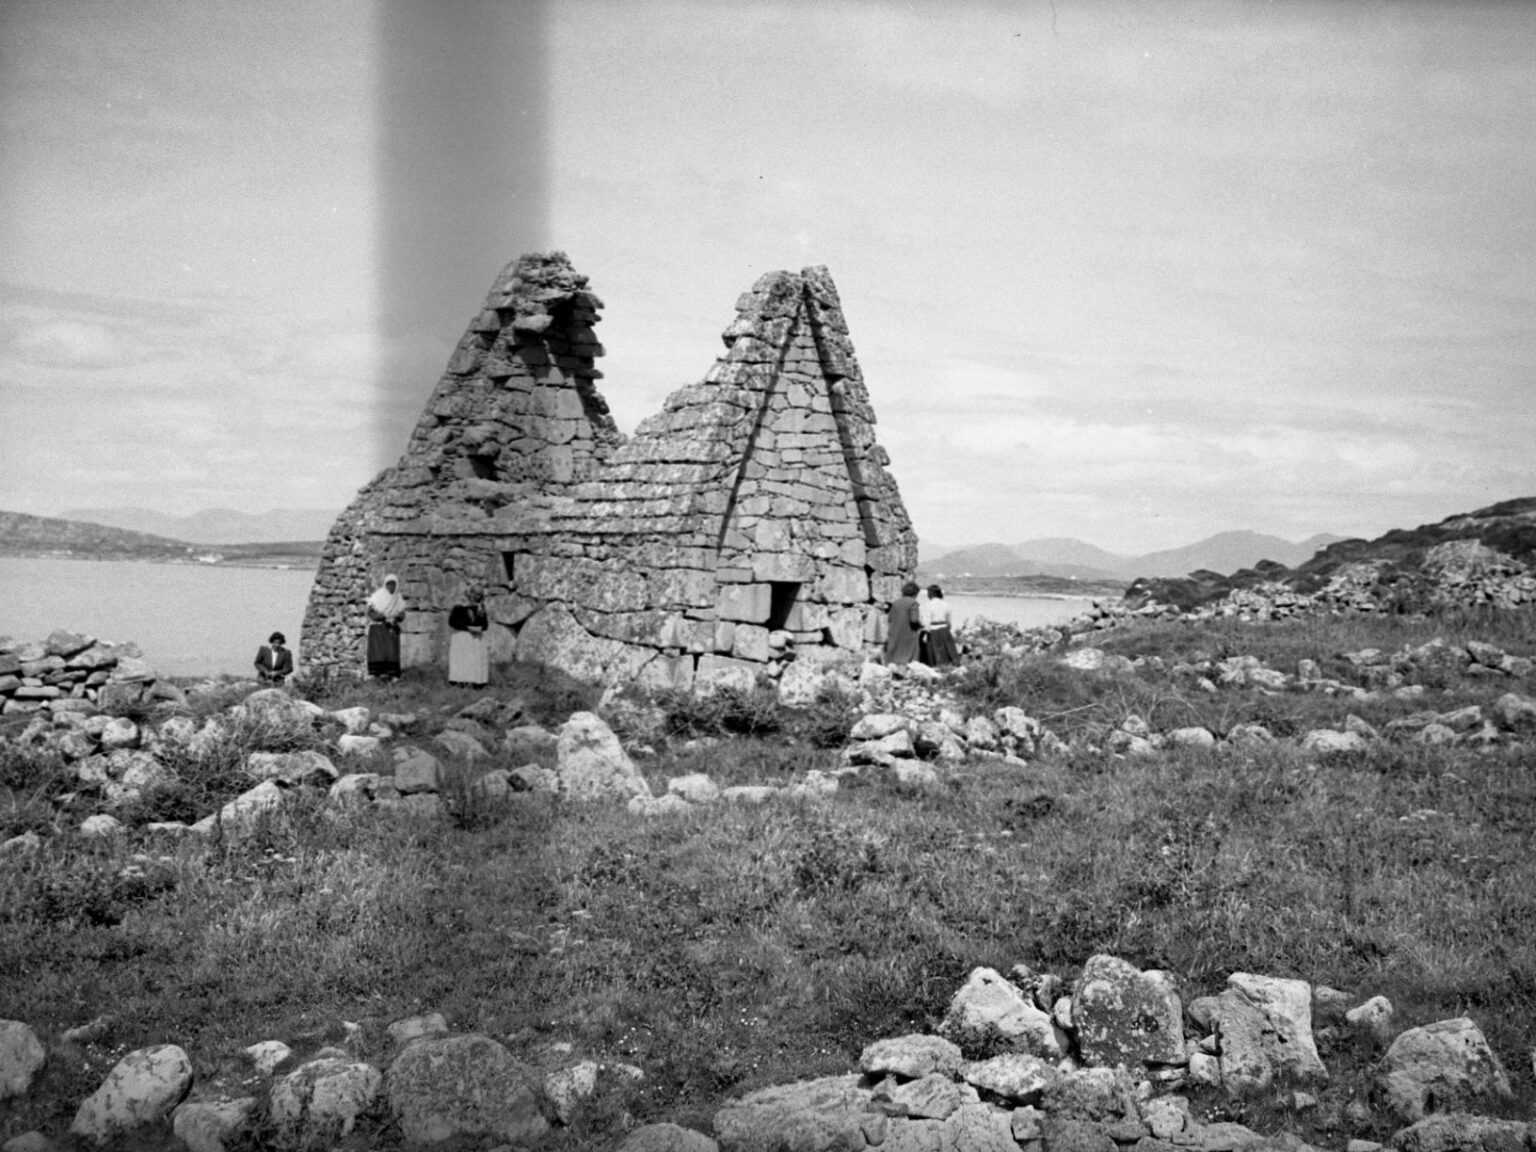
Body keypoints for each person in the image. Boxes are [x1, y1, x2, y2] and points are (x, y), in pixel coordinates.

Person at [365, 574, 407, 680]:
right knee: (378, 652)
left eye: (393, 584)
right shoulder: (377, 597)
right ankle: (376, 674)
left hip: (391, 628)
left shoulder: (398, 598)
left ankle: (392, 674)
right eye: (389, 584)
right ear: (385, 584)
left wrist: (397, 617)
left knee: (392, 652)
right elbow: (370, 612)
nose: (391, 586)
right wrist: (382, 617)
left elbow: (402, 614)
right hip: (378, 629)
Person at [447, 587, 490, 688]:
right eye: (476, 594)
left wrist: (481, 628)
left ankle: (477, 682)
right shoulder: (459, 606)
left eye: (479, 595)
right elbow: (452, 622)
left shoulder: (480, 607)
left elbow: (485, 624)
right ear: (470, 593)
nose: (477, 597)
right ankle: (460, 683)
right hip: (462, 637)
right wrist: (468, 627)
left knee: (476, 660)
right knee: (463, 659)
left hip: (476, 639)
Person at [883, 581, 923, 665]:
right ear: (915, 593)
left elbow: (890, 618)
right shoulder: (913, 603)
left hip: (895, 632)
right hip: (908, 633)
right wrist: (920, 626)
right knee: (910, 655)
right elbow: (914, 620)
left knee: (895, 654)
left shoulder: (896, 603)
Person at [921, 584, 961, 667]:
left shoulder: (928, 605)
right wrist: (948, 629)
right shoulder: (945, 604)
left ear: (931, 593)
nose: (928, 595)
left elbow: (926, 621)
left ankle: (936, 666)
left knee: (934, 652)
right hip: (944, 630)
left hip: (933, 630)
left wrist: (925, 633)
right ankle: (950, 665)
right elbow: (949, 620)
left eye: (928, 593)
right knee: (947, 651)